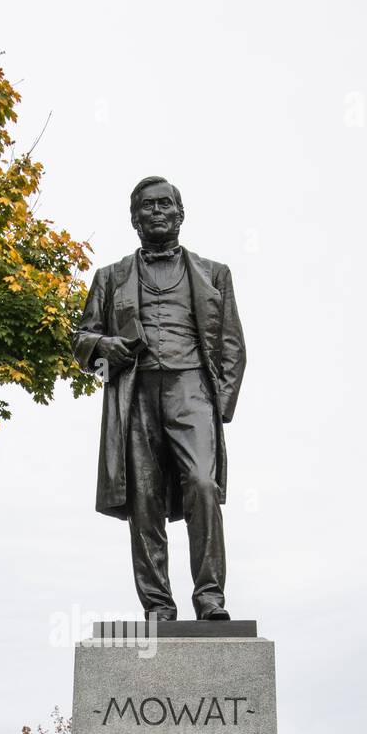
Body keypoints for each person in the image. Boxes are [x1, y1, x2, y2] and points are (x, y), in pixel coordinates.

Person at [73, 176, 247, 621]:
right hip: (136, 392)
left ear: (180, 213)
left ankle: (210, 597)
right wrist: (101, 347)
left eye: (164, 204)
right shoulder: (110, 277)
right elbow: (80, 341)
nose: (156, 212)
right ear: (134, 219)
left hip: (193, 391)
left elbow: (232, 346)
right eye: (147, 206)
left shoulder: (214, 274)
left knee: (203, 487)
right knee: (144, 500)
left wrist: (218, 408)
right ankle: (157, 607)